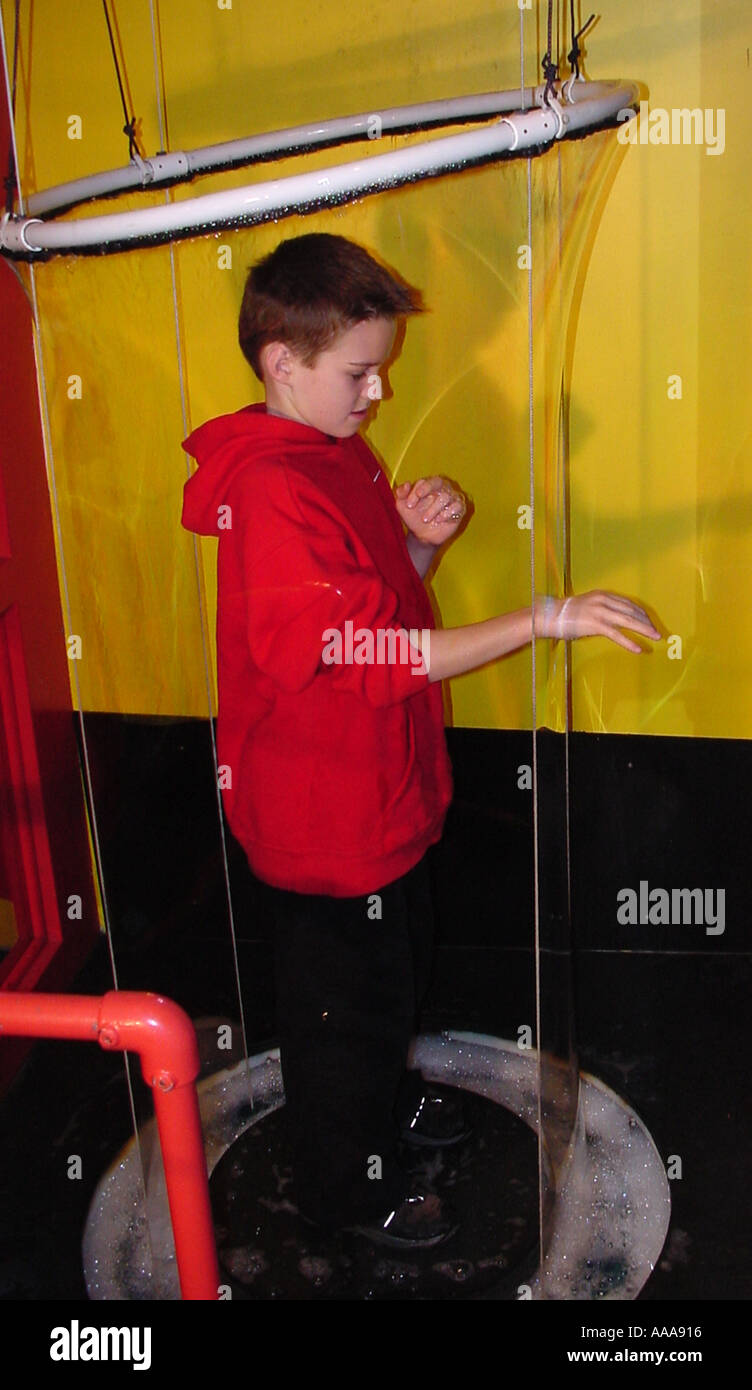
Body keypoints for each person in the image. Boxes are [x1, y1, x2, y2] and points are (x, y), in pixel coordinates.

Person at [181, 232, 661, 1250]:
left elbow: (370, 605)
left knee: (388, 982)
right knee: (340, 1020)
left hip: (376, 792)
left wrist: (418, 546)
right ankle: (344, 1189)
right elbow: (361, 650)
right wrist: (538, 617)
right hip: (325, 816)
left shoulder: (328, 454)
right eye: (359, 373)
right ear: (282, 362)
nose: (377, 396)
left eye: (381, 372)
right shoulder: (272, 492)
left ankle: (371, 1120)